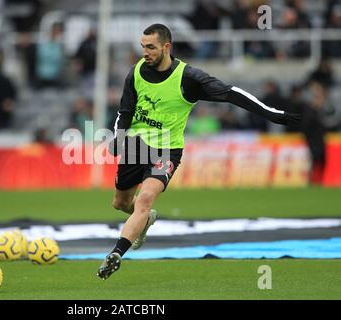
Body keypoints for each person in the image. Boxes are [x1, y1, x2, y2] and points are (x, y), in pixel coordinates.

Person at [97, 24, 300, 280]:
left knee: (146, 198)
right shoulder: (136, 72)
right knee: (121, 203)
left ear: (166, 47)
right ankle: (145, 220)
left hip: (166, 151)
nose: (145, 52)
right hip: (136, 148)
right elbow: (124, 112)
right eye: (143, 47)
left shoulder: (188, 78)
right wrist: (119, 137)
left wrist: (272, 114)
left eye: (151, 47)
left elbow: (230, 93)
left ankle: (116, 254)